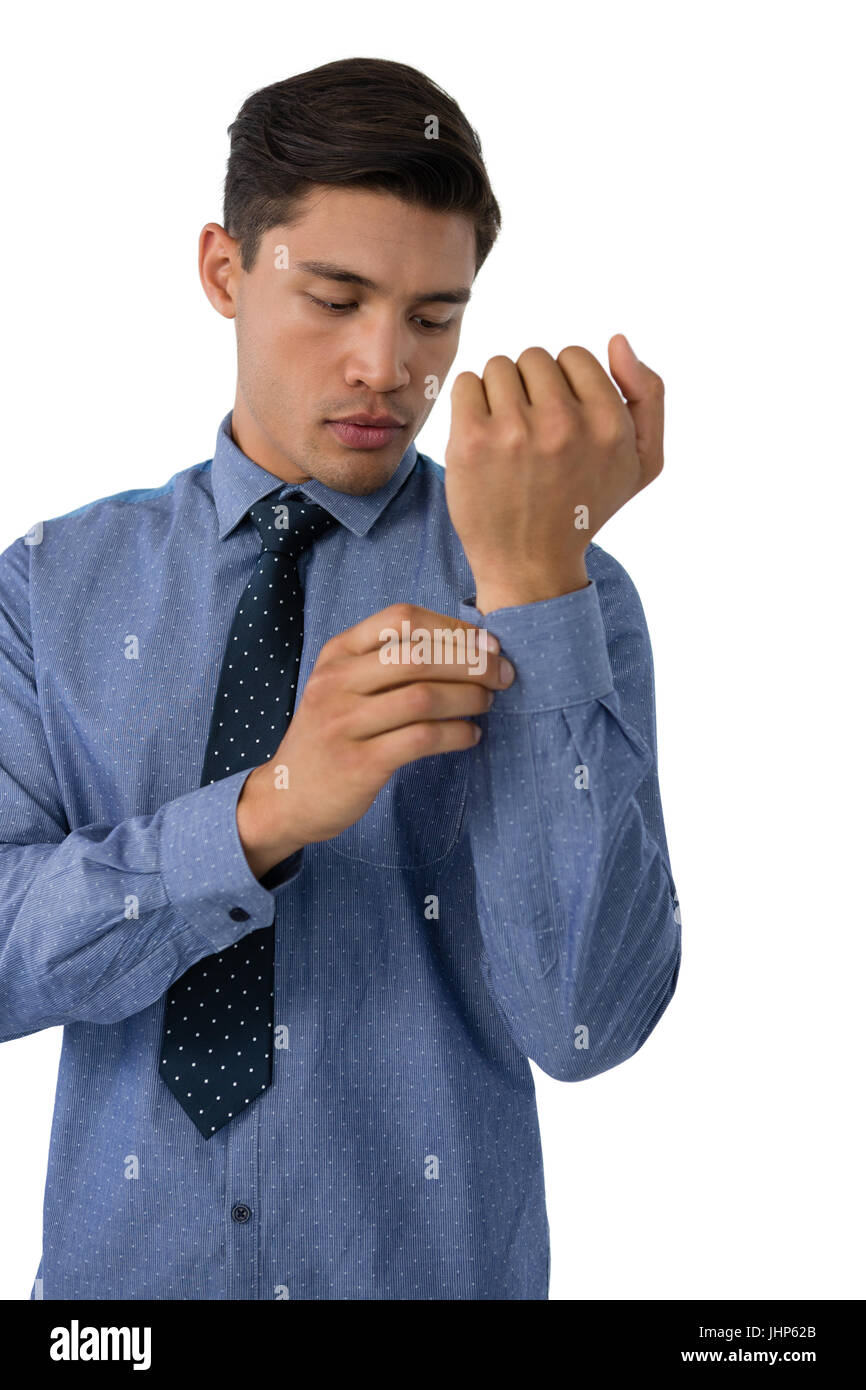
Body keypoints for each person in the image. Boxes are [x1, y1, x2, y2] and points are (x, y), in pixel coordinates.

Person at [0, 55, 680, 1301]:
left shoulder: (564, 594)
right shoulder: (51, 588)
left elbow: (589, 1022)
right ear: (223, 270)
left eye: (433, 317)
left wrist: (533, 586)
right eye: (333, 297)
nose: (385, 365)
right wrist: (259, 817)